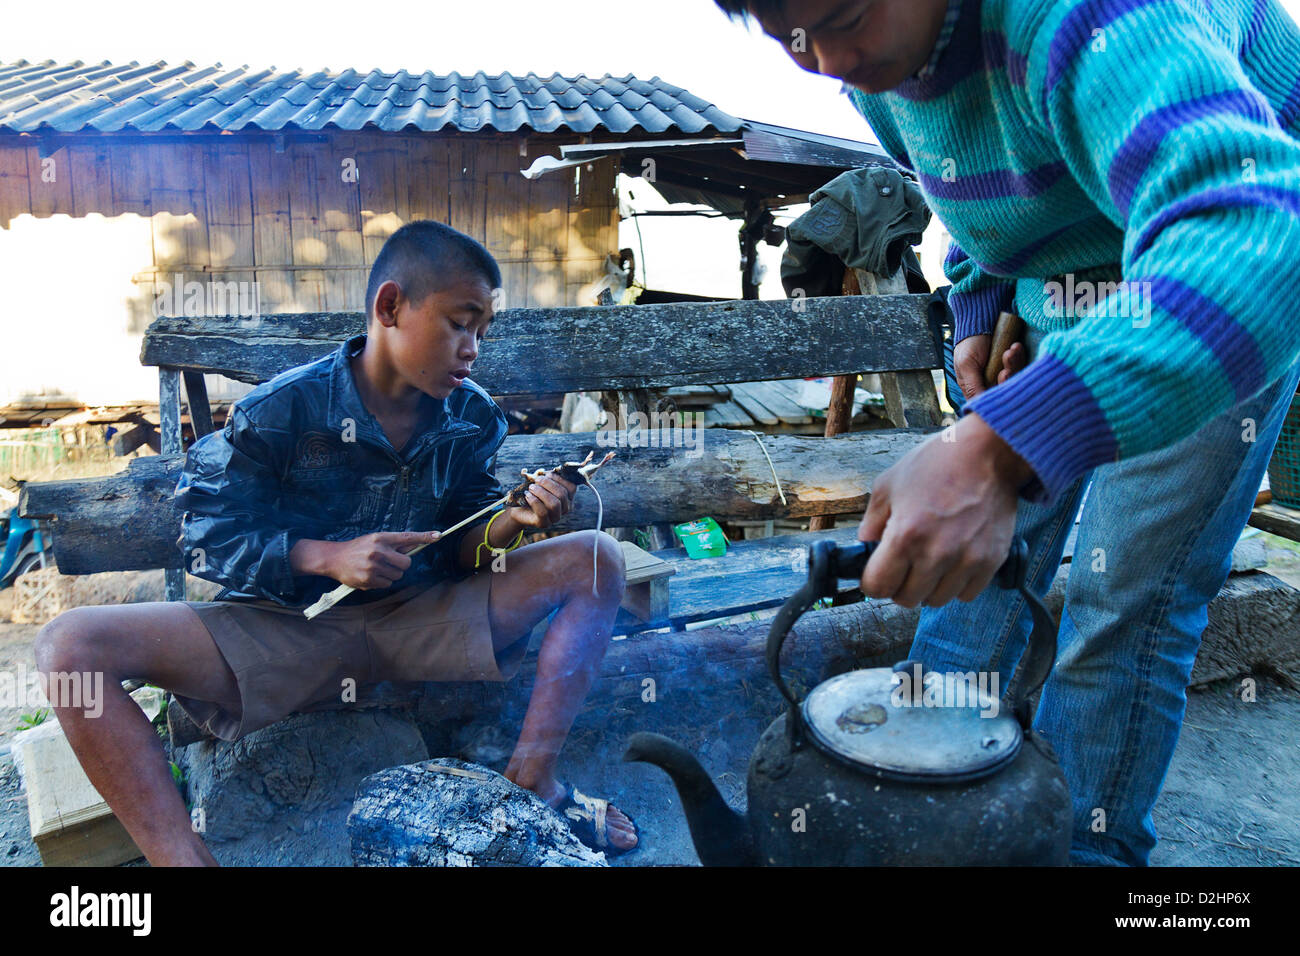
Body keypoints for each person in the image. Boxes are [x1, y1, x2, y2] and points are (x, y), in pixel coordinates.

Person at [714, 0, 1300, 864]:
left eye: (842, 14)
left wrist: (1003, 448)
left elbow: (1255, 230)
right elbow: (981, 188)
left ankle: (1082, 850)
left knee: (1122, 605)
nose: (828, 58)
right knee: (970, 573)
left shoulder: (1092, 14)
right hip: (1057, 306)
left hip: (1208, 300)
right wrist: (982, 305)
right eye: (784, 33)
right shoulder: (876, 55)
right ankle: (932, 813)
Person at [34, 220, 638, 865]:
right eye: (461, 323)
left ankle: (532, 781)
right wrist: (321, 555)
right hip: (285, 629)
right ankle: (183, 858)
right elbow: (206, 535)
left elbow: (464, 548)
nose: (473, 349)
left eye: (482, 332)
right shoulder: (281, 410)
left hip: (423, 622)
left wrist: (512, 522)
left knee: (596, 560)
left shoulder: (473, 416)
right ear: (390, 306)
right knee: (69, 646)